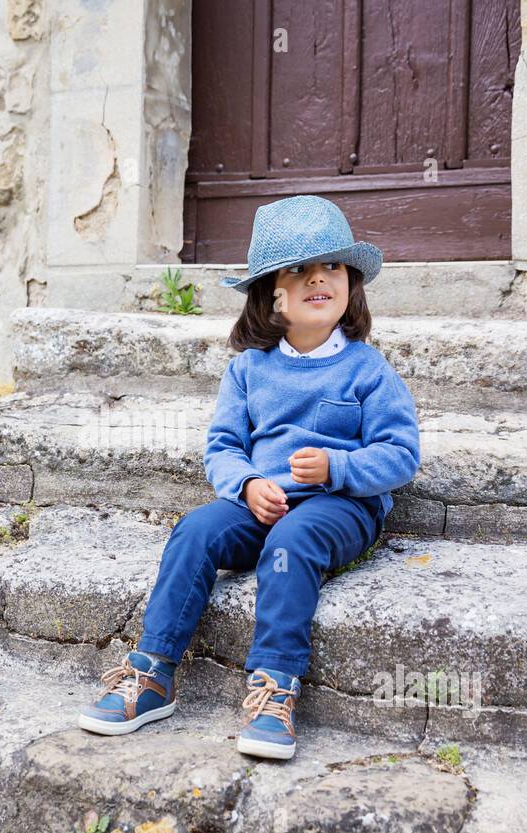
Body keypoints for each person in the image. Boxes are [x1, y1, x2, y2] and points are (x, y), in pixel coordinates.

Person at [77, 194, 422, 760]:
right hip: (259, 503)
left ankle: (275, 686)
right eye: (297, 269)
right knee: (195, 530)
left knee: (292, 541)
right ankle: (152, 672)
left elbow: (401, 454)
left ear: (352, 283)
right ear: (270, 295)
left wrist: (340, 466)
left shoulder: (367, 369)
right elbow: (223, 447)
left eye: (333, 265)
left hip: (340, 507)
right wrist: (244, 485)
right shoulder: (248, 370)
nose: (318, 278)